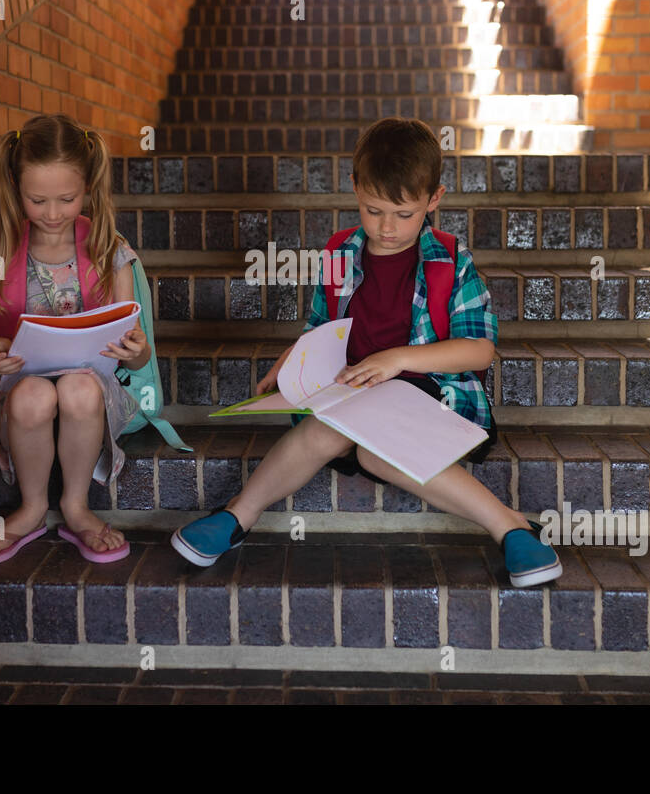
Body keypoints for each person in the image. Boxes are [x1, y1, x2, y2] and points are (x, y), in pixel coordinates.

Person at [170, 117, 562, 587]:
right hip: (353, 391)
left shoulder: (450, 260)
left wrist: (396, 358)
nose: (388, 228)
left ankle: (510, 528)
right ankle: (237, 517)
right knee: (322, 430)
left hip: (430, 392)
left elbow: (479, 351)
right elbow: (323, 328)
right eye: (374, 211)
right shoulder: (339, 253)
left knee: (376, 455)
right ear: (354, 186)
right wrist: (295, 357)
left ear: (433, 200)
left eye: (404, 214)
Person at [0, 114, 150, 564]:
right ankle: (32, 506)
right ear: (14, 190)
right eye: (37, 200)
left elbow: (136, 354)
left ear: (88, 190)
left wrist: (136, 352)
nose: (54, 213)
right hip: (21, 393)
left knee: (77, 387)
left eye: (68, 198)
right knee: (34, 396)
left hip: (94, 392)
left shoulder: (108, 248)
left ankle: (76, 507)